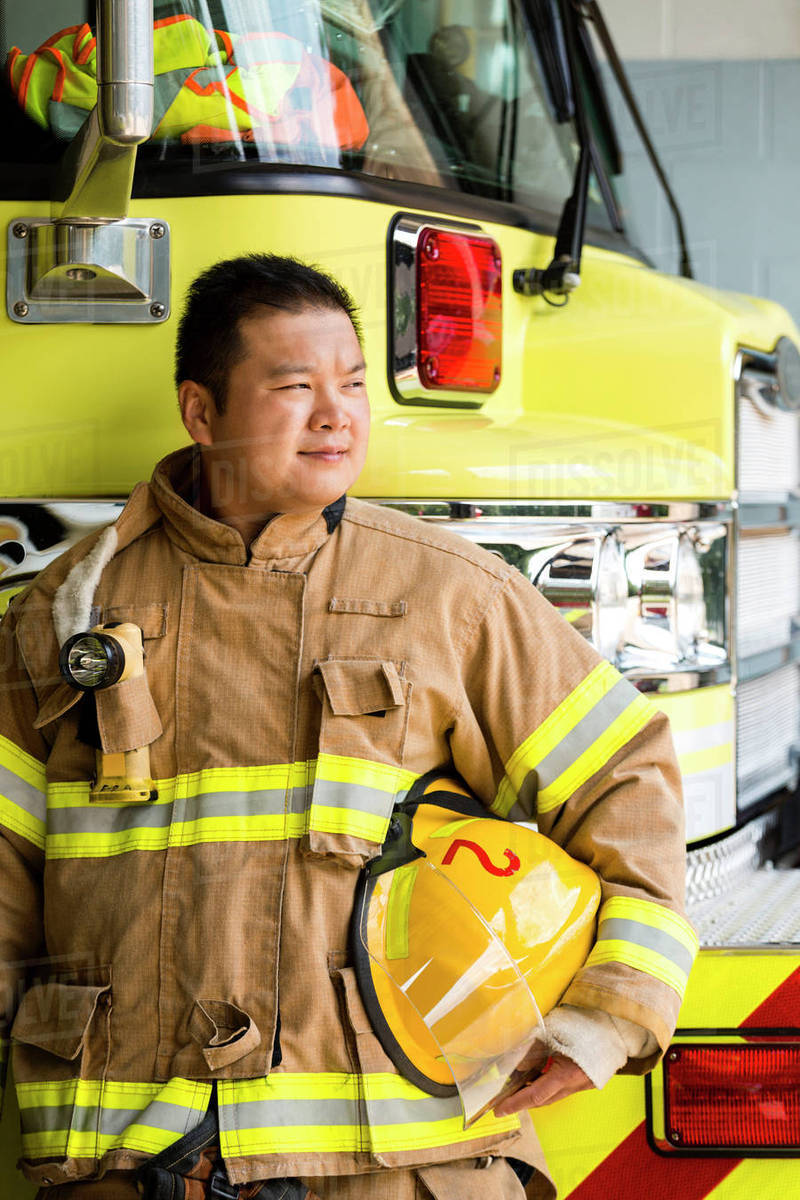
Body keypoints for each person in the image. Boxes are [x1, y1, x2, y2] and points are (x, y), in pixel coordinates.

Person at [0, 255, 696, 1200]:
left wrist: (612, 1013)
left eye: (354, 385)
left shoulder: (448, 594)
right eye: (296, 387)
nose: (336, 415)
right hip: (133, 1159)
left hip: (405, 1163)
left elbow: (627, 777)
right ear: (201, 412)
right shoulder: (65, 609)